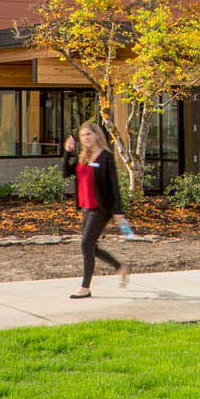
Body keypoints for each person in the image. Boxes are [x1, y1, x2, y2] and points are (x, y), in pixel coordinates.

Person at [61, 122, 130, 298]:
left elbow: (114, 186)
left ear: (97, 135)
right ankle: (120, 267)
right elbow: (66, 173)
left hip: (101, 208)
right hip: (86, 207)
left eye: (89, 134)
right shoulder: (83, 156)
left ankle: (85, 288)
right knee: (91, 246)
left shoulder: (105, 157)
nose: (86, 138)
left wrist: (118, 211)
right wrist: (68, 152)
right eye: (83, 136)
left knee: (86, 244)